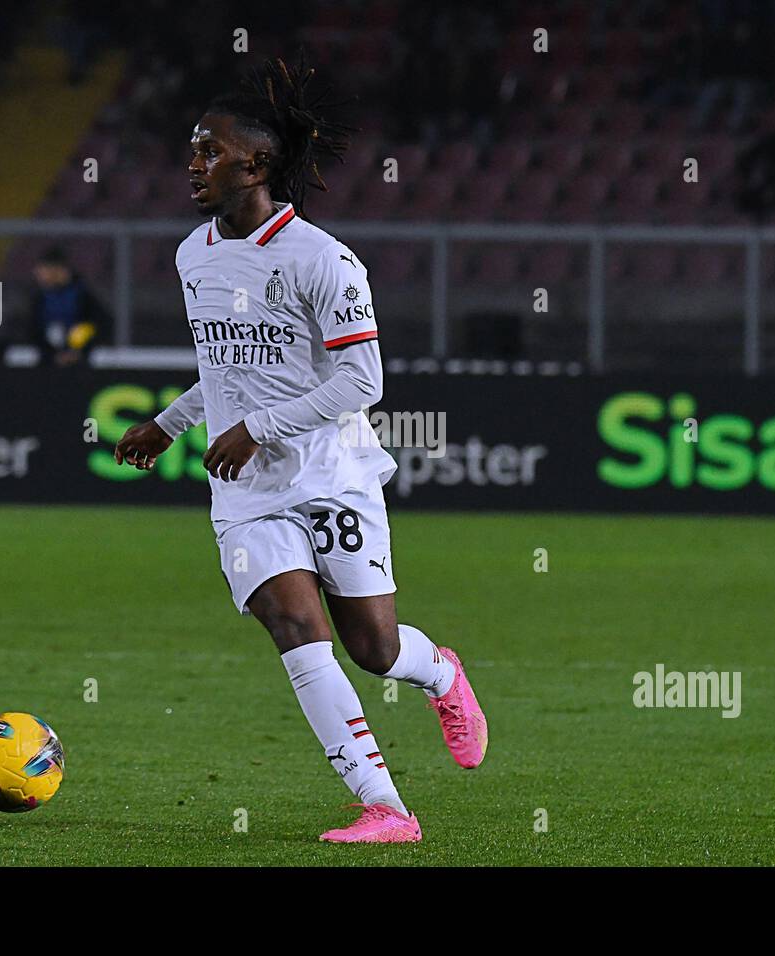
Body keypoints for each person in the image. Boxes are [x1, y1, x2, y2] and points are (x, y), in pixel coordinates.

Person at [113, 53, 487, 844]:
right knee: (292, 621)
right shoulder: (193, 255)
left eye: (208, 150)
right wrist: (172, 422)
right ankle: (385, 806)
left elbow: (363, 381)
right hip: (248, 492)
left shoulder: (323, 260)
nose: (193, 163)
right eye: (190, 148)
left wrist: (258, 429)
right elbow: (226, 369)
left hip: (334, 473)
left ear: (258, 162)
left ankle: (442, 674)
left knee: (375, 648)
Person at [28, 247, 112, 367]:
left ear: (57, 269)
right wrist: (53, 354)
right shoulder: (39, 298)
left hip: (78, 364)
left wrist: (80, 351)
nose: (38, 274)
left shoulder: (82, 295)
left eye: (42, 270)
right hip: (47, 364)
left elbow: (102, 325)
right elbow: (33, 331)